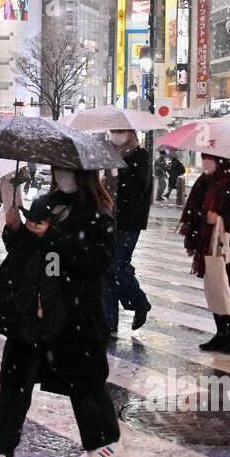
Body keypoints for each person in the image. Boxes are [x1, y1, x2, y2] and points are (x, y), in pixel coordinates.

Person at [0, 166, 120, 457]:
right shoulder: (44, 203)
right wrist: (14, 229)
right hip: (34, 307)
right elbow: (25, 251)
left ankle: (103, 441)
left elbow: (96, 262)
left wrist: (52, 236)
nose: (61, 175)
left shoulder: (98, 213)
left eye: (67, 170)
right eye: (57, 169)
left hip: (75, 311)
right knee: (14, 380)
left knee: (84, 381)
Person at [179, 154, 230, 353]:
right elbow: (196, 210)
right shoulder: (204, 182)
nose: (204, 163)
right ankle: (222, 333)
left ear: (220, 161)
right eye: (204, 158)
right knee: (214, 289)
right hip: (207, 244)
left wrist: (221, 219)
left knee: (221, 289)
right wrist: (202, 219)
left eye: (208, 159)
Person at [102, 128, 152, 334]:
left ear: (131, 133)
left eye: (120, 131)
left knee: (116, 265)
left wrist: (117, 172)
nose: (116, 134)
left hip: (129, 220)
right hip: (107, 218)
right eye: (113, 131)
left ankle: (140, 302)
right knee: (106, 269)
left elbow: (138, 187)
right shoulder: (107, 153)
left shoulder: (141, 155)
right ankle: (109, 321)